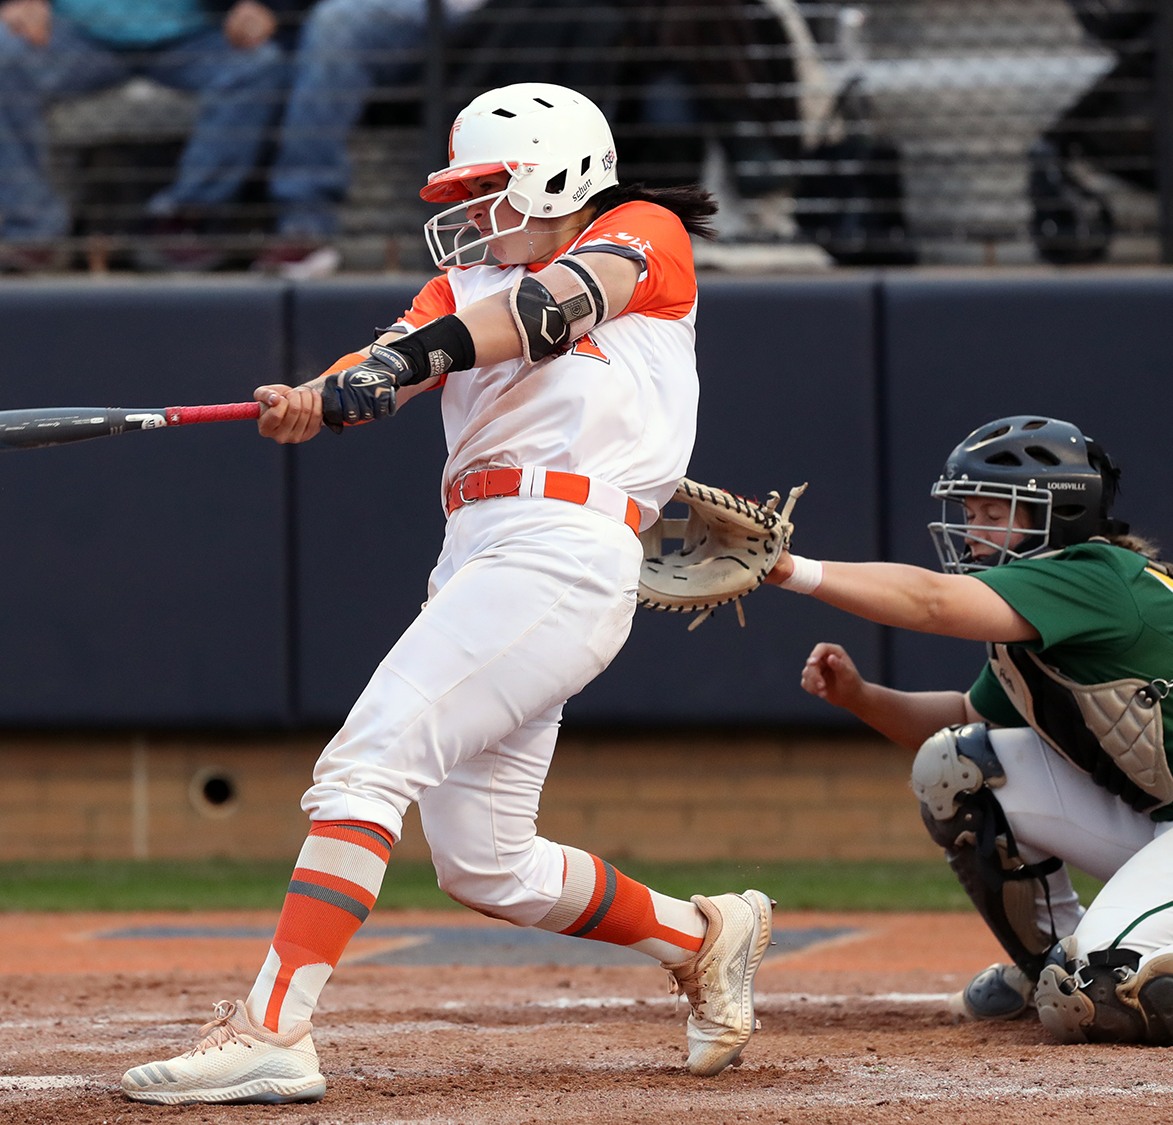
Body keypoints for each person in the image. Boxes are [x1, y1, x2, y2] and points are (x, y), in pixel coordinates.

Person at [120, 82, 770, 1105]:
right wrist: (318, 394)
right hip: (476, 551)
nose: (470, 211)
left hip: (559, 547)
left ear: (556, 171)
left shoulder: (637, 231)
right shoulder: (469, 277)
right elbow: (394, 354)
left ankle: (272, 1028)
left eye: (488, 188)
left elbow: (552, 310)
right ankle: (701, 936)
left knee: (364, 765)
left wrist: (404, 361)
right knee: (484, 864)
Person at [766, 415, 1173, 1046]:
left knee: (1100, 983)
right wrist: (860, 696)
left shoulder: (1089, 576)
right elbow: (965, 718)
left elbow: (931, 603)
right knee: (957, 767)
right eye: (971, 511)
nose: (971, 531)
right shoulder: (1038, 609)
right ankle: (1048, 968)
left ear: (1060, 515)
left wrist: (791, 569)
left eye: (995, 513)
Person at [0, 0, 284, 271]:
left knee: (259, 64)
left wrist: (263, 5)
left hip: (201, 30)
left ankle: (183, 221)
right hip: (69, 31)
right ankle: (32, 233)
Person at [255, 0, 491, 276]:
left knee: (336, 22)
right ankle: (288, 229)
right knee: (267, 51)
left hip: (464, 14)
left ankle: (306, 225)